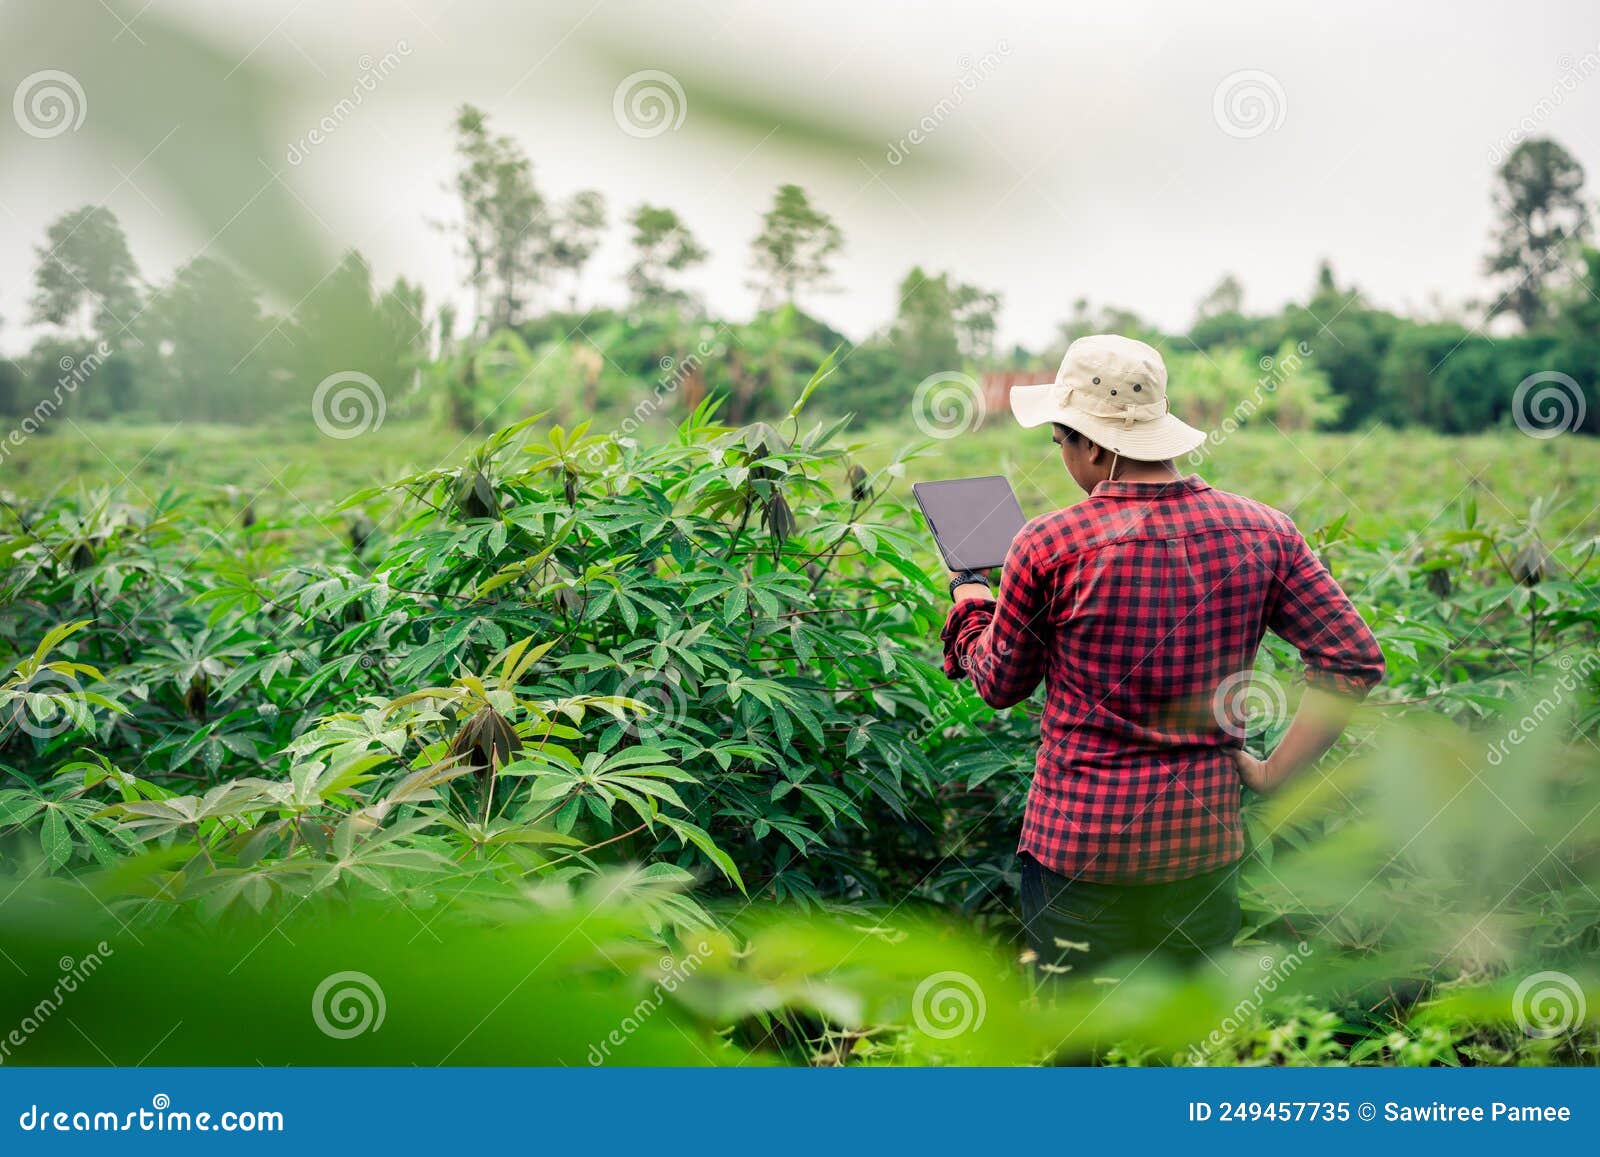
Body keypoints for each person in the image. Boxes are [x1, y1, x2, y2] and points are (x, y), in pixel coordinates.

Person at [940, 334, 1384, 978]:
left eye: (1060, 441)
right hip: (1200, 847)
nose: (1063, 455)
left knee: (1076, 1047)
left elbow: (1001, 682)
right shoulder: (1264, 531)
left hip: (1077, 845)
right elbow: (1352, 661)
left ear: (1092, 443)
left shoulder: (1048, 543)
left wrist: (972, 597)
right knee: (1181, 1042)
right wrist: (1271, 774)